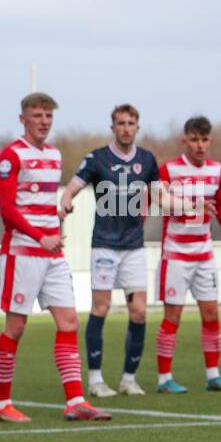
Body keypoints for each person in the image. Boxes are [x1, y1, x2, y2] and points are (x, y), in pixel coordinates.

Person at [0, 93, 109, 422]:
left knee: (69, 321)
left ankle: (75, 401)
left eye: (48, 116)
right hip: (22, 253)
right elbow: (8, 210)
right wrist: (40, 235)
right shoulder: (10, 156)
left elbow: (40, 204)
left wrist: (58, 216)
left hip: (52, 252)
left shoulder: (55, 155)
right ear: (23, 119)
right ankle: (2, 405)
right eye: (37, 115)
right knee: (15, 327)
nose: (44, 121)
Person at [58, 104, 159, 396]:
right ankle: (95, 380)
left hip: (134, 247)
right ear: (112, 127)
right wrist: (65, 199)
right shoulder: (98, 158)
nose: (126, 128)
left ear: (138, 127)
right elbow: (73, 186)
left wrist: (192, 205)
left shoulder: (147, 160)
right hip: (104, 245)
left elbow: (161, 196)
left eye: (131, 123)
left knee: (139, 312)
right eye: (120, 123)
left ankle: (128, 379)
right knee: (101, 308)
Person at [154, 116, 221, 392]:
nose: (200, 145)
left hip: (204, 254)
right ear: (184, 140)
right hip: (176, 255)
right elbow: (162, 205)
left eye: (204, 140)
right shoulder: (169, 170)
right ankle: (164, 379)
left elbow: (220, 206)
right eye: (194, 139)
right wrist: (193, 207)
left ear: (211, 141)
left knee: (211, 313)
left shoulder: (216, 170)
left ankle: (214, 375)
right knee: (173, 317)